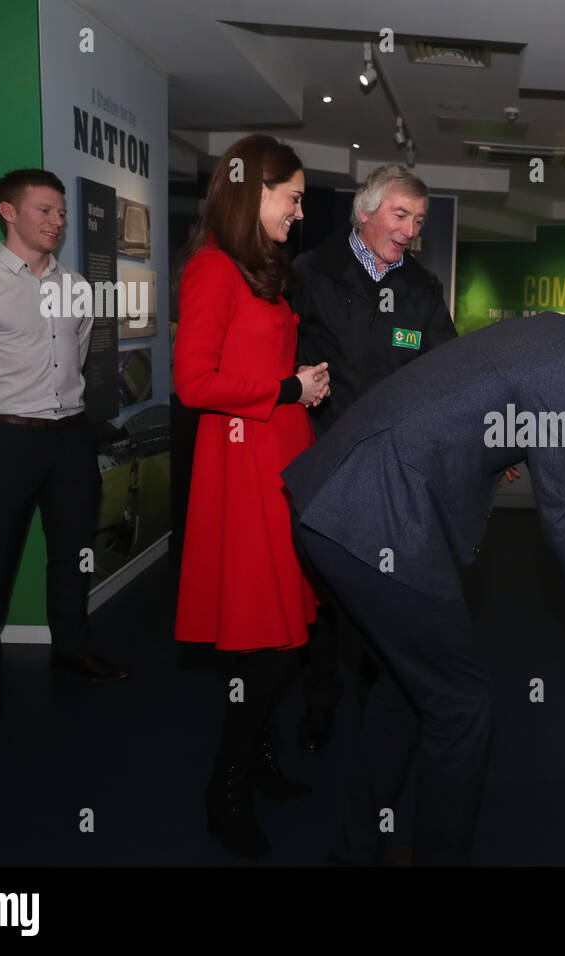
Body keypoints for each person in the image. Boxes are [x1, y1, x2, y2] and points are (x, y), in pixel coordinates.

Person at [282, 282, 565, 866]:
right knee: (461, 706)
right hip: (376, 521)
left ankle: (356, 849)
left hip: (338, 507)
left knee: (406, 692)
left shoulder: (556, 338)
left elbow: (562, 490)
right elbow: (560, 507)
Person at [173, 134, 329, 859]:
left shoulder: (260, 271)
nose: (299, 212)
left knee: (283, 637)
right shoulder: (211, 270)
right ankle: (222, 790)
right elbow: (194, 382)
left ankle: (261, 764)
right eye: (292, 198)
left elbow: (253, 363)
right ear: (253, 191)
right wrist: (287, 387)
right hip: (244, 472)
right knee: (264, 647)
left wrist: (297, 382)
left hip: (281, 460)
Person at [0, 168, 127, 722]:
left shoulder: (77, 288)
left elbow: (80, 353)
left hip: (70, 439)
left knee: (74, 552)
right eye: (44, 210)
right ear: (8, 211)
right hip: (8, 440)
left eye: (61, 212)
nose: (57, 221)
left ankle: (70, 648)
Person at [290, 164, 458, 751]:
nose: (410, 230)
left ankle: (377, 710)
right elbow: (280, 356)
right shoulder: (311, 274)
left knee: (382, 588)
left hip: (393, 471)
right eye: (400, 215)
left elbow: (448, 372)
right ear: (366, 213)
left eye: (417, 220)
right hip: (325, 458)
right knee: (326, 594)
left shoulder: (422, 290)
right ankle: (319, 709)